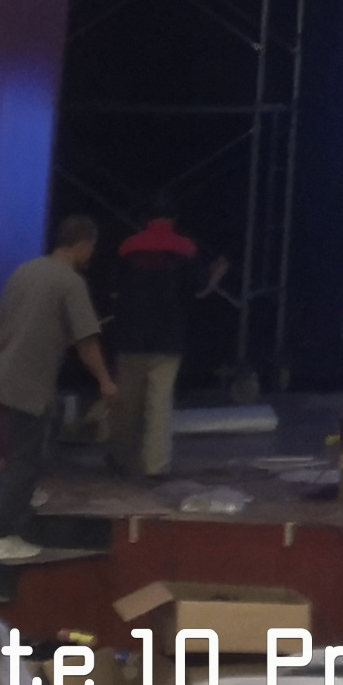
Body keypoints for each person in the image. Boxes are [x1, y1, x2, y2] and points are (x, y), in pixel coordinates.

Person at [0, 214, 115, 561]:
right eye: (92, 247)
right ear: (83, 244)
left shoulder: (24, 271)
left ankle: (16, 500)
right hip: (29, 384)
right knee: (26, 459)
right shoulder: (70, 282)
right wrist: (105, 381)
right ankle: (2, 535)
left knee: (26, 448)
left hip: (1, 375)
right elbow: (87, 340)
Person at [103, 205, 229, 479]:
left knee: (126, 404)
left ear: (144, 218)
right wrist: (216, 273)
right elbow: (199, 291)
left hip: (130, 336)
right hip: (168, 338)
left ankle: (119, 457)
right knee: (159, 404)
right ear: (175, 218)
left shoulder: (128, 247)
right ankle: (156, 467)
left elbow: (114, 289)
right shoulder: (185, 248)